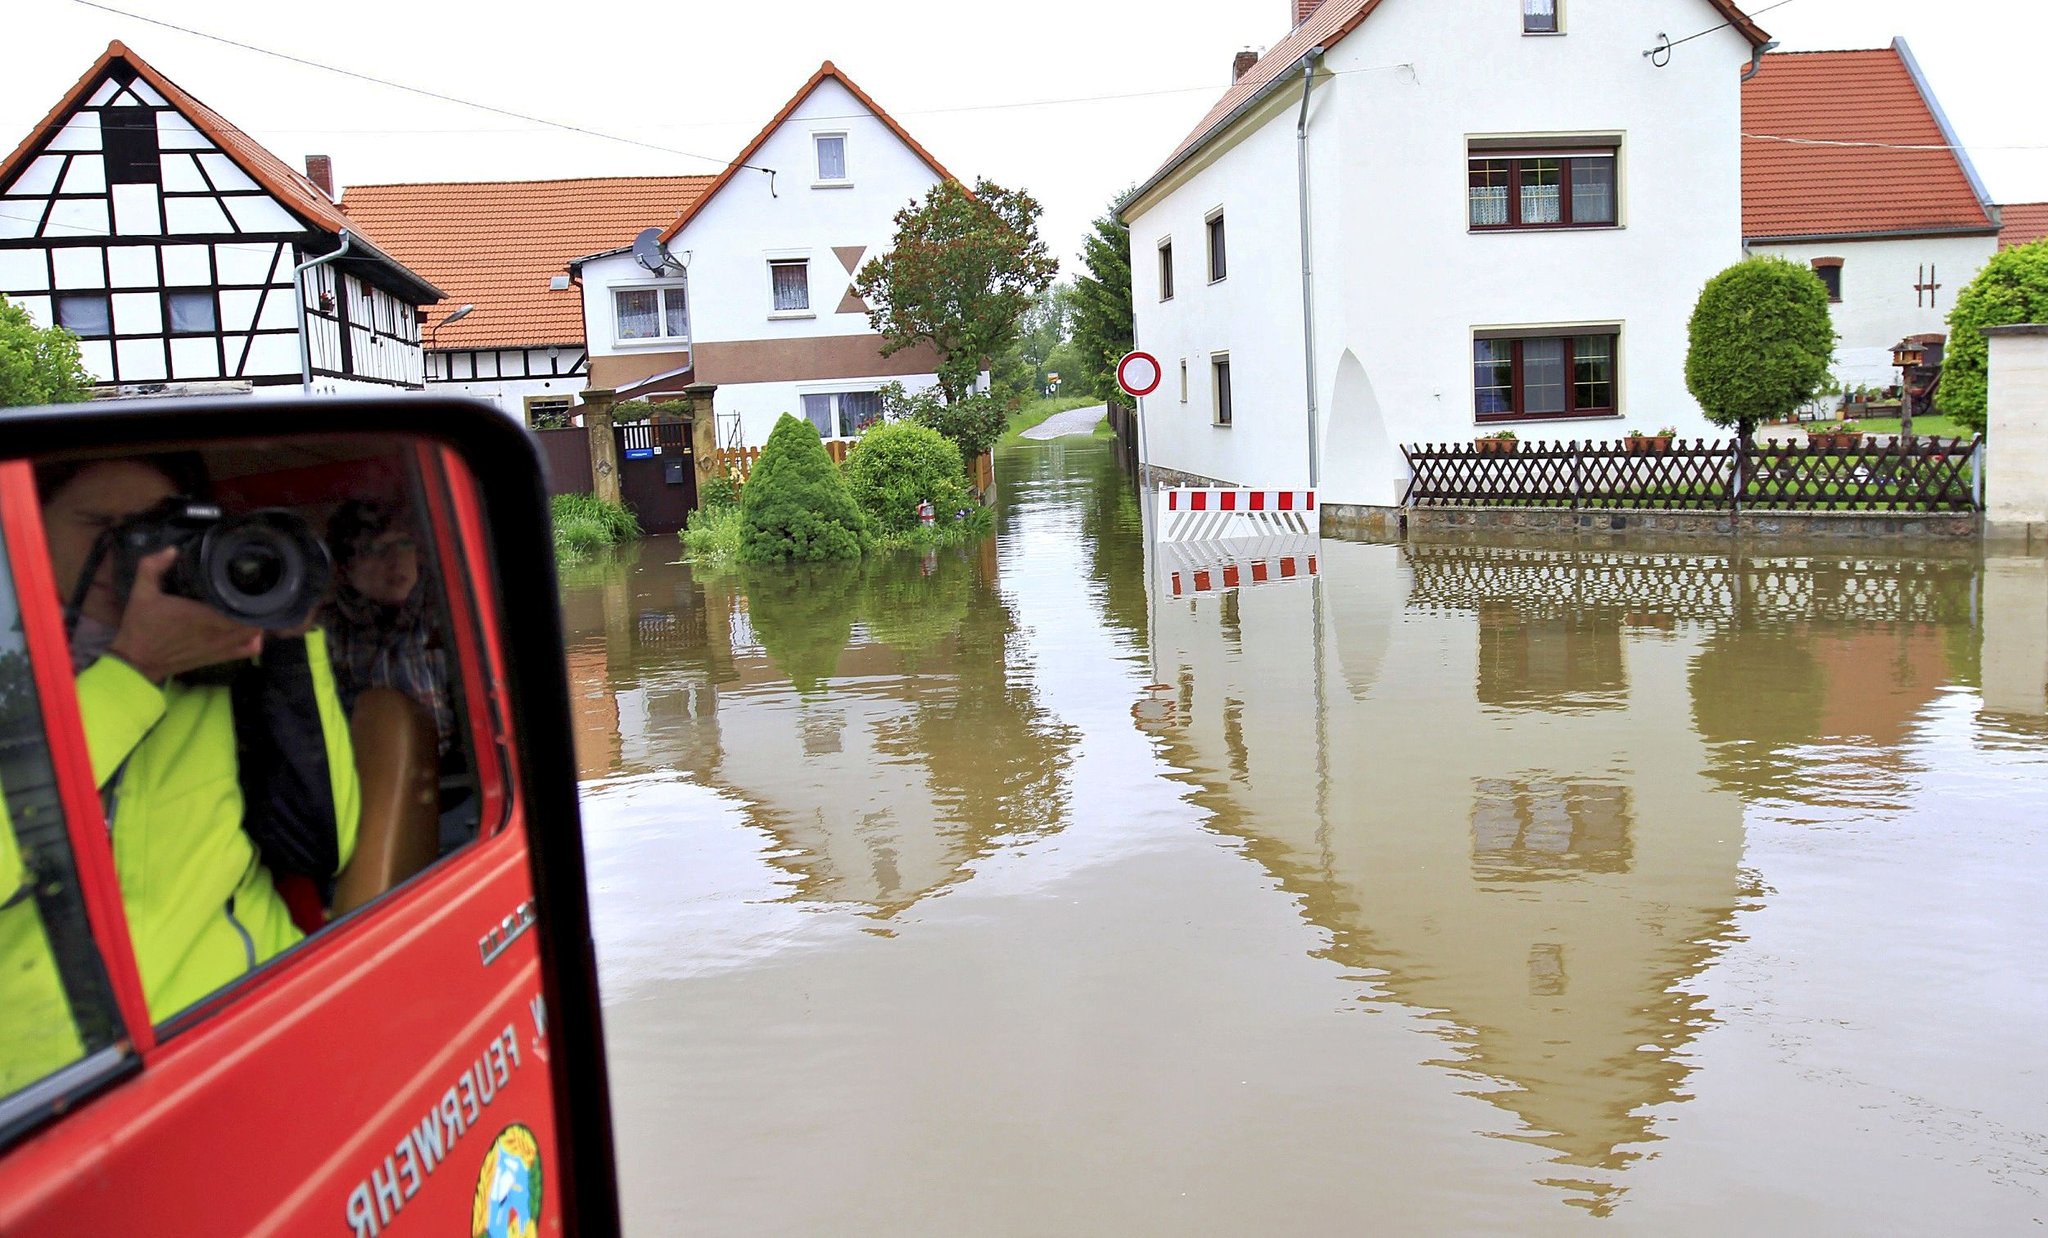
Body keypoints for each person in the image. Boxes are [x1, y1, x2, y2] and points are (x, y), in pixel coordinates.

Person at [34, 455, 359, 1022]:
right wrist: (133, 671)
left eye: (161, 528)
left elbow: (320, 846)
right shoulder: (20, 675)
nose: (137, 552)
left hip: (263, 1004)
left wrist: (284, 633)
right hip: (66, 1070)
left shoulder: (221, 655)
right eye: (98, 526)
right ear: (28, 526)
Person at [322, 499, 456, 758]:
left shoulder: (449, 616)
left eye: (404, 544)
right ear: (345, 568)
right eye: (374, 549)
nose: (396, 560)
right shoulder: (326, 631)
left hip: (457, 777)